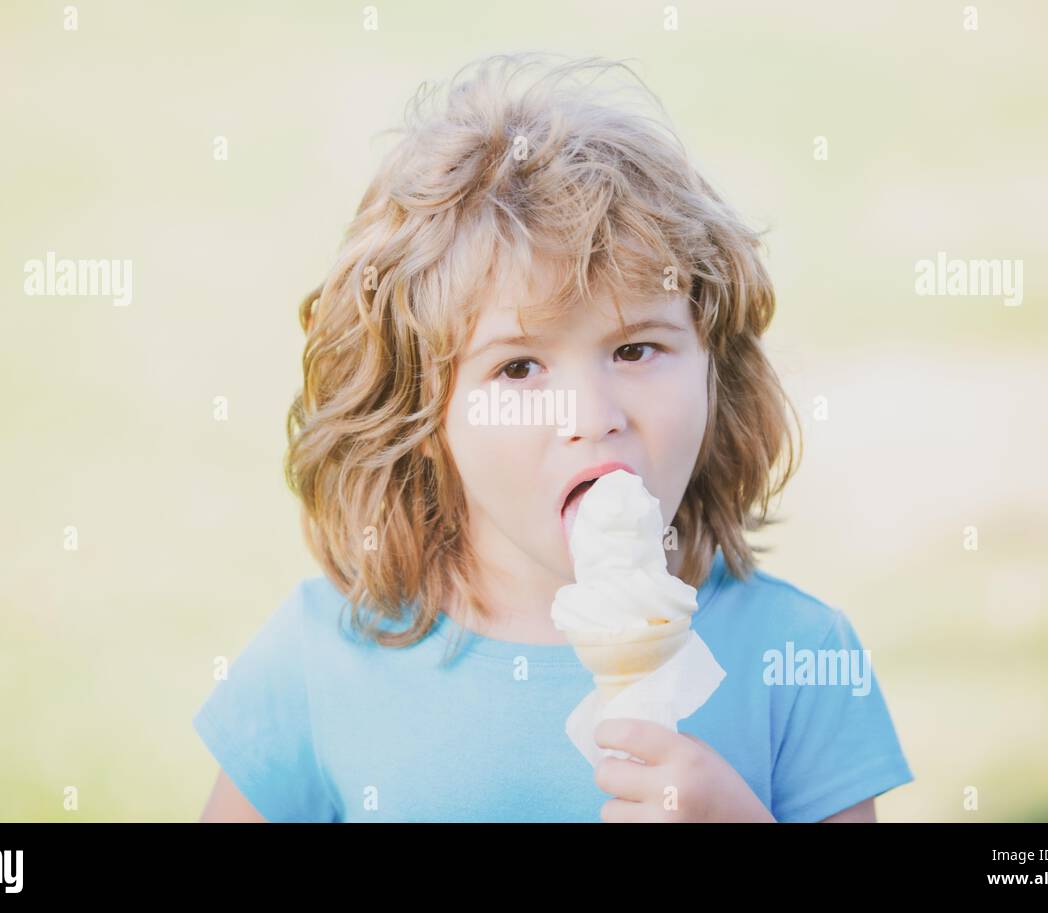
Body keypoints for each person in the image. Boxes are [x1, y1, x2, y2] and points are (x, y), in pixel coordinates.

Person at [193, 52, 913, 823]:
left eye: (636, 349)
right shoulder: (317, 665)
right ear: (422, 416)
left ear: (716, 371)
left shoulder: (799, 658)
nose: (591, 414)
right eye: (519, 367)